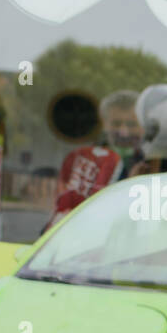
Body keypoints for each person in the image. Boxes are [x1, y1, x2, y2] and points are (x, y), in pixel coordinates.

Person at [45, 88, 141, 231]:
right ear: (104, 124)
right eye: (116, 123)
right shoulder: (83, 162)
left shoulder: (152, 164)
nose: (123, 131)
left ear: (143, 125)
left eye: (131, 125)